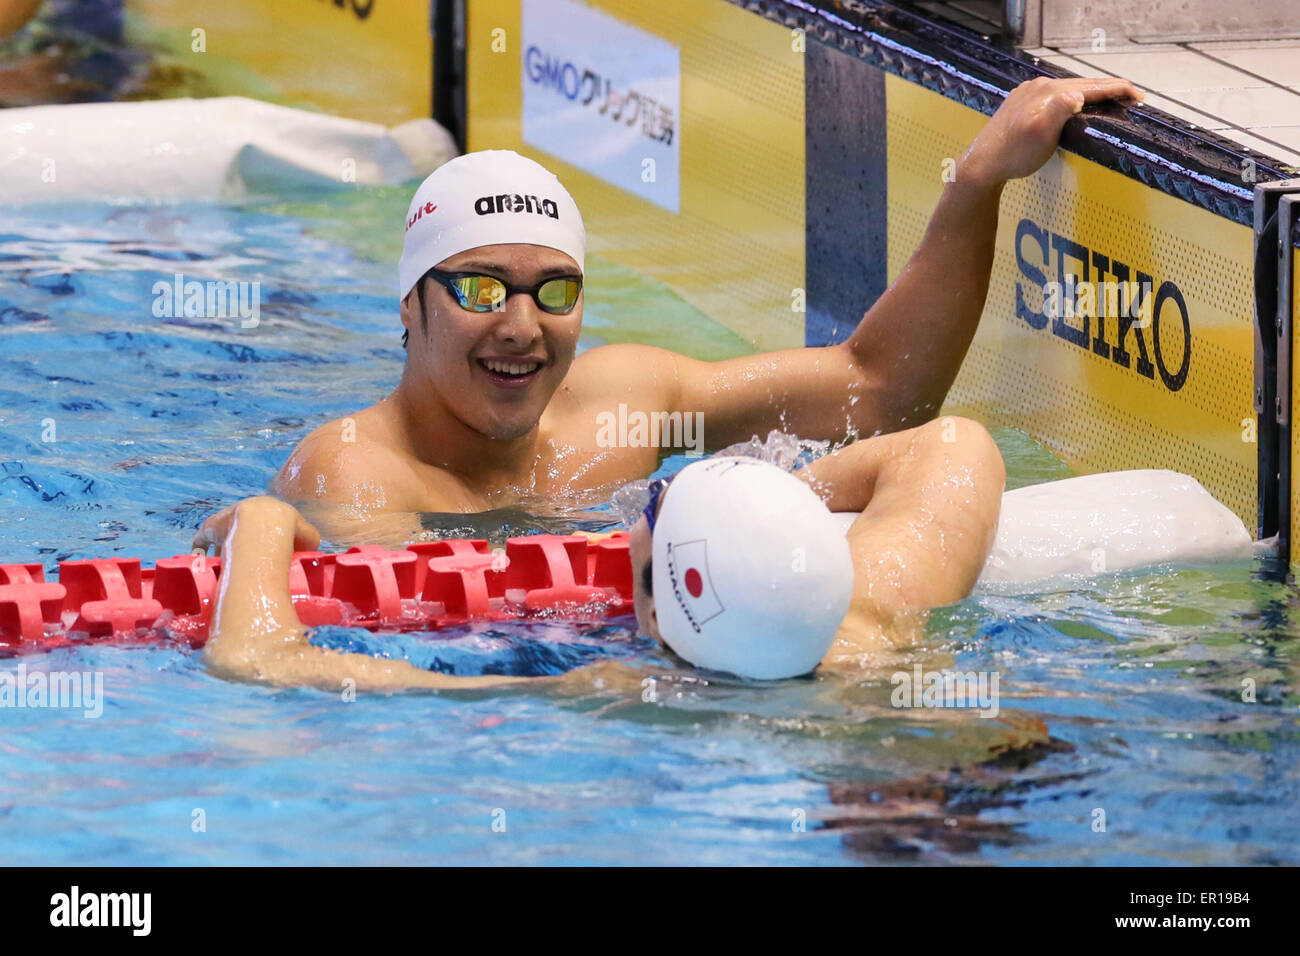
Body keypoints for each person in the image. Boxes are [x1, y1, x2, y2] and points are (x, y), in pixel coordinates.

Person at [194, 76, 1143, 551]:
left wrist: (977, 180)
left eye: (552, 290)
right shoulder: (352, 472)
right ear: (411, 301)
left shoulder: (625, 406)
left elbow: (878, 389)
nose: (521, 325)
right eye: (481, 288)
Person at [200, 416, 1005, 689]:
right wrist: (766, 510)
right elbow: (954, 443)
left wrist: (263, 525)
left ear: (656, 614)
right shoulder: (876, 615)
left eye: (652, 506)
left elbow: (258, 659)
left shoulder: (618, 687)